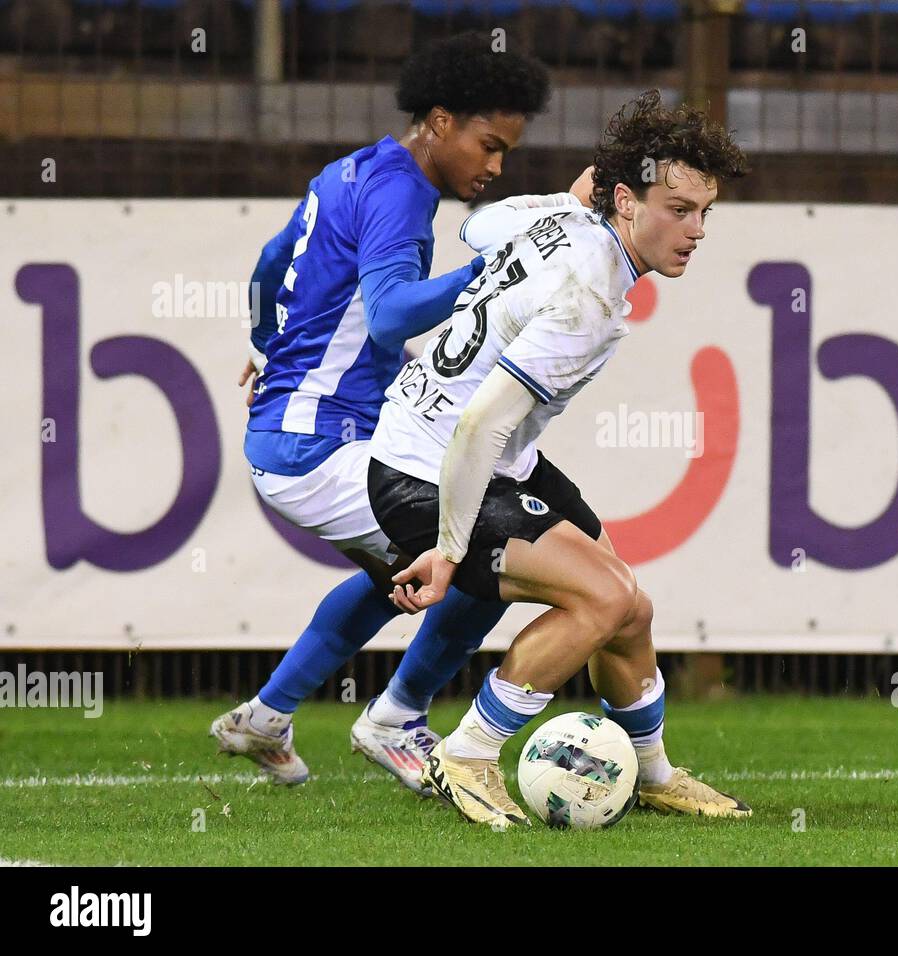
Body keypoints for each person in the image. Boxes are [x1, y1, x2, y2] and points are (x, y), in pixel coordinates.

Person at [367, 90, 754, 827]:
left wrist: (564, 199)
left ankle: (652, 773)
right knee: (602, 598)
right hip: (432, 470)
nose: (696, 229)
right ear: (624, 200)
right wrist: (447, 552)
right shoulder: (590, 295)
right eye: (678, 208)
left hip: (483, 455)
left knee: (630, 607)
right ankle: (470, 752)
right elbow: (479, 423)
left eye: (706, 211)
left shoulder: (568, 218)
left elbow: (480, 224)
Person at [210, 33, 552, 793]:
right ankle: (399, 718)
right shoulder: (401, 191)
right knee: (478, 559)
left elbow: (272, 264)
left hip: (304, 434)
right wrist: (495, 269)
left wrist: (266, 344)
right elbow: (393, 315)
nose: (495, 169)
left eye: (506, 152)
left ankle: (268, 715)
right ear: (438, 119)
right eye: (488, 145)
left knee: (396, 572)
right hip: (317, 444)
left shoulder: (348, 170)